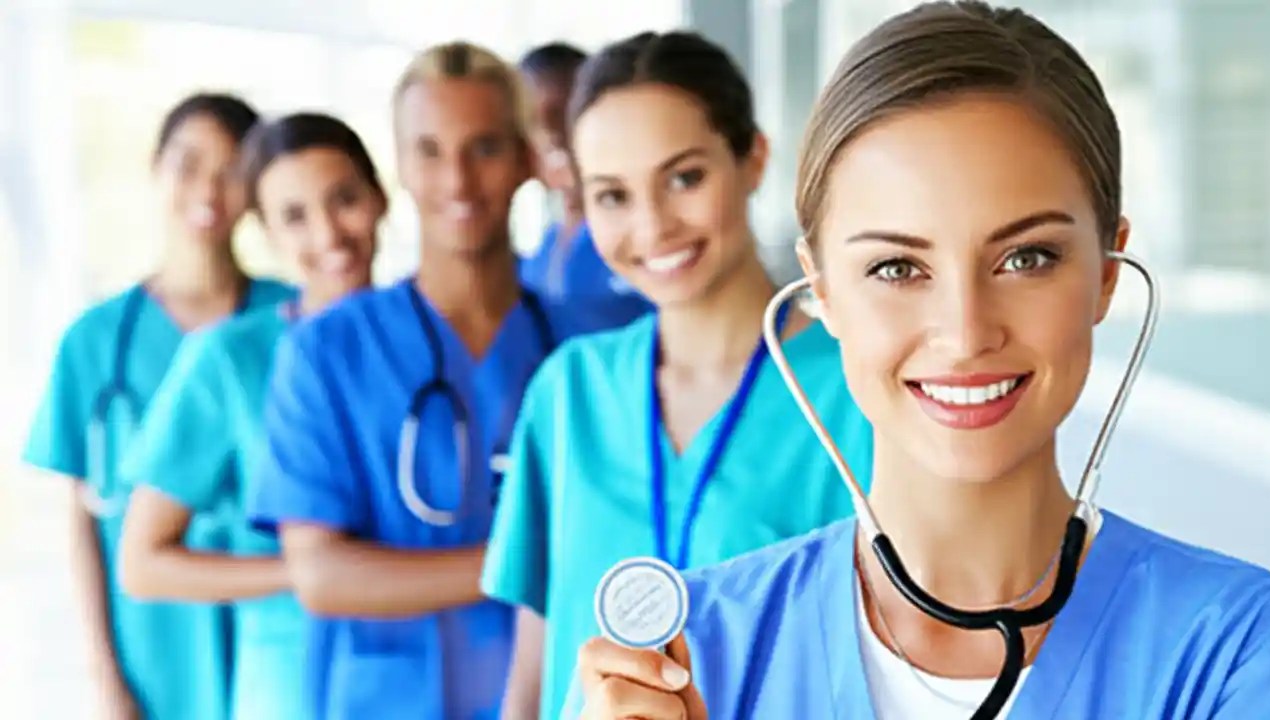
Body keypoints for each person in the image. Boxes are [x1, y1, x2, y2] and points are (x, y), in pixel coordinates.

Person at [569, 3, 1270, 719]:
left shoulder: (1241, 649)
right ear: (822, 290)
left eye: (1025, 258)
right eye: (898, 268)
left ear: (1105, 273)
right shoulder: (682, 659)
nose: (965, 332)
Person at [482, 31, 876, 720]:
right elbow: (532, 670)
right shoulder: (568, 393)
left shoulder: (861, 393)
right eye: (612, 196)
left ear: (752, 158)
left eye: (684, 177)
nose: (653, 225)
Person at [245, 42, 582, 720]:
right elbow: (320, 575)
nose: (457, 180)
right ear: (398, 165)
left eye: (484, 147)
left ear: (525, 159)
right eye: (429, 150)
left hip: (555, 696)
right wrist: (523, 561)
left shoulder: (585, 348)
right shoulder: (327, 351)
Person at [22, 93, 295, 720]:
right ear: (155, 168)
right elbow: (83, 523)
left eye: (230, 170)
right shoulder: (95, 341)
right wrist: (105, 677)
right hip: (153, 646)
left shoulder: (293, 320)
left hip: (276, 629)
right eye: (189, 163)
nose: (207, 188)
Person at [115, 113, 387, 720]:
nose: (329, 234)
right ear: (265, 233)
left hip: (431, 673)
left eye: (345, 199)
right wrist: (315, 572)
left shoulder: (431, 344)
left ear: (381, 198)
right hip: (289, 684)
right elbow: (143, 564)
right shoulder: (229, 359)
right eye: (294, 216)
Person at [516, 41, 653, 331]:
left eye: (564, 113)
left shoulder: (641, 234)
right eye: (533, 120)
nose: (552, 133)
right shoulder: (541, 251)